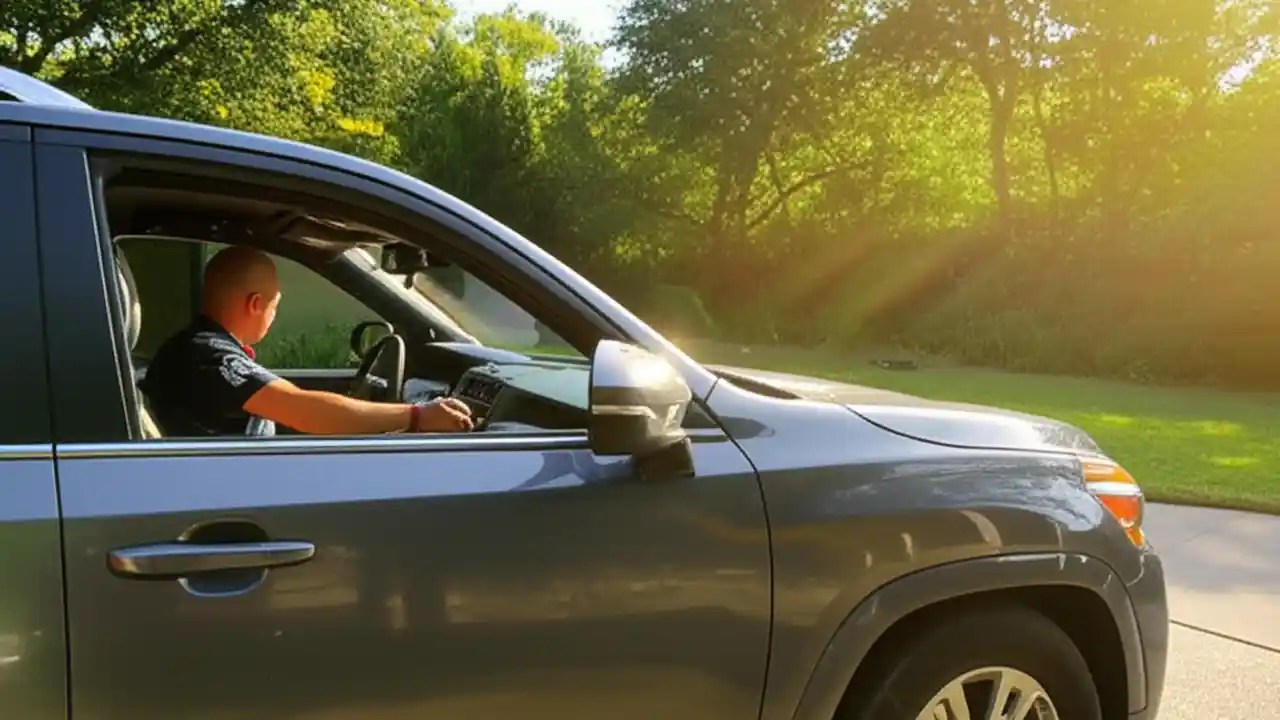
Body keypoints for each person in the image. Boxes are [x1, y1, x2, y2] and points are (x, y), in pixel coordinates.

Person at [140, 245, 473, 437]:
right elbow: (303, 410)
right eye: (275, 305)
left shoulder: (192, 347)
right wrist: (416, 416)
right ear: (255, 304)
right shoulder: (209, 356)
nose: (274, 315)